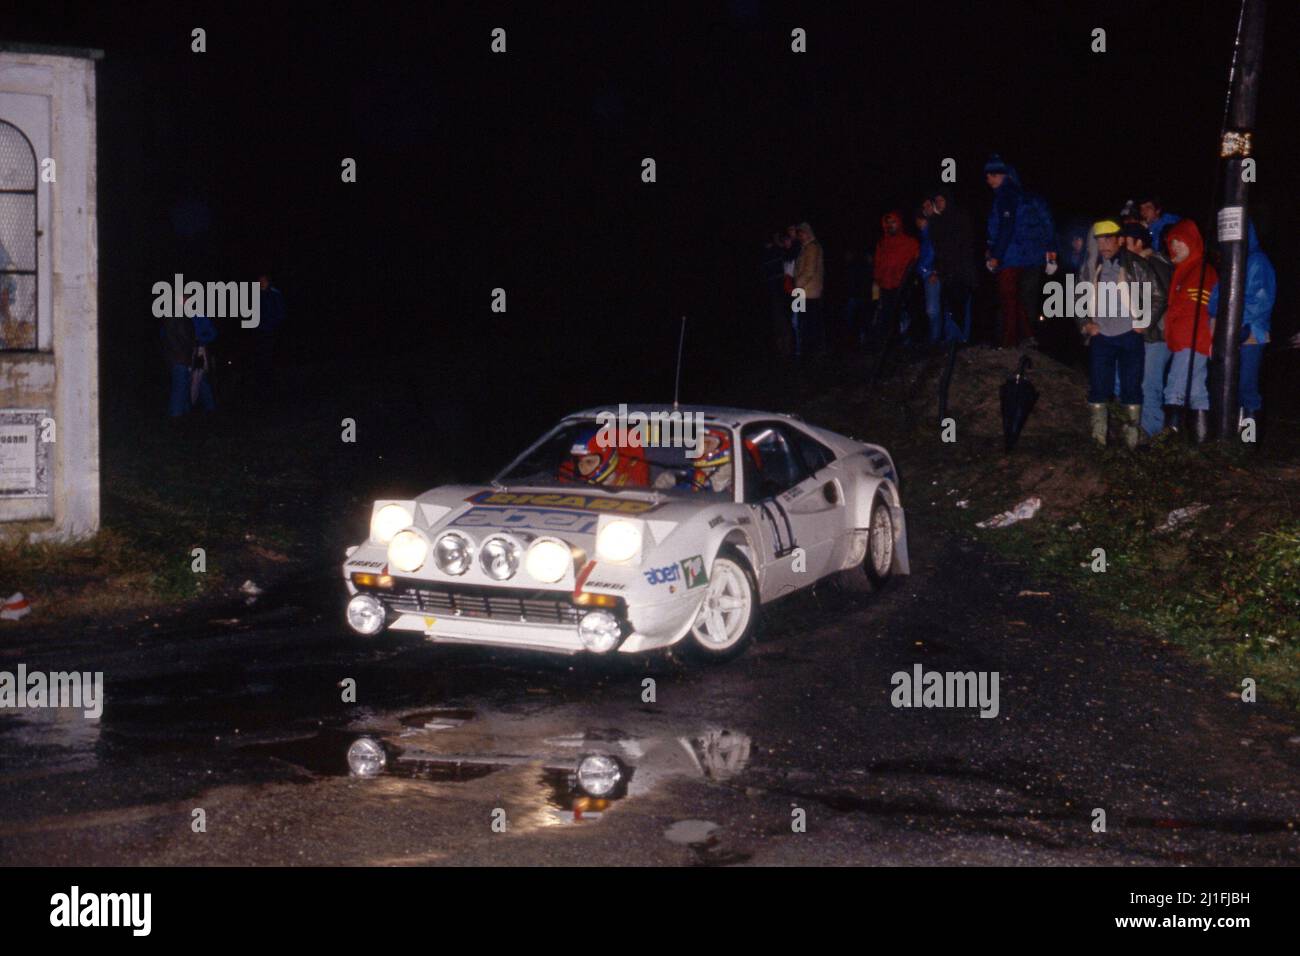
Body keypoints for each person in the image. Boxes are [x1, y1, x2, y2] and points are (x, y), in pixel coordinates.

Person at [1078, 220, 1155, 449]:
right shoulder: (1092, 266)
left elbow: (1158, 294)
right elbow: (1078, 298)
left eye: (1108, 238)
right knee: (1099, 389)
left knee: (1132, 388)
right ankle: (1097, 443)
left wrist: (1144, 321)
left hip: (1129, 335)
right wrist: (1085, 324)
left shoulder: (1135, 264)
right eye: (1099, 240)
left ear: (1119, 239)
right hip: (1102, 337)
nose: (1103, 244)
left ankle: (1131, 444)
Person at [1208, 220, 1275, 434]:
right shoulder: (1230, 262)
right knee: (1227, 386)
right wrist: (1216, 327)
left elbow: (1261, 301)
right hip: (1229, 335)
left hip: (1251, 335)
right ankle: (1229, 439)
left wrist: (1233, 322)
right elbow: (1215, 298)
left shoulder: (1257, 261)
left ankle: (1247, 442)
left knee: (1247, 387)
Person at [983, 154, 1055, 348]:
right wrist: (1049, 250)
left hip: (1011, 255)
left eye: (990, 175)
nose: (988, 180)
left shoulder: (1006, 195)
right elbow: (1046, 222)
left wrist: (996, 255)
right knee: (1016, 297)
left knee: (1007, 297)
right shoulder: (1023, 195)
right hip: (1030, 256)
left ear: (1000, 175)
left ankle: (1009, 341)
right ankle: (1028, 335)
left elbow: (1005, 227)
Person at [1162, 219, 1217, 442]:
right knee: (1196, 390)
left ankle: (1168, 444)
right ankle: (1200, 443)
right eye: (1171, 242)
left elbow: (1200, 308)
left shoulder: (1201, 270)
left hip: (1192, 341)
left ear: (1192, 242)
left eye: (1180, 241)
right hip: (1187, 341)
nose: (1174, 246)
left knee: (1175, 387)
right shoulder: (1185, 270)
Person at [1120, 223, 1173, 437]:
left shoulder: (1153, 263)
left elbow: (1160, 299)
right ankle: (1138, 429)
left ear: (1139, 243)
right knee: (1139, 383)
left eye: (1126, 242)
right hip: (1150, 335)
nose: (1121, 246)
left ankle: (1150, 431)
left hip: (1157, 336)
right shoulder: (1139, 263)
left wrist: (1142, 324)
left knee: (1150, 386)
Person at [929, 188, 976, 344]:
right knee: (948, 304)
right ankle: (951, 338)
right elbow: (937, 249)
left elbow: (967, 245)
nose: (938, 203)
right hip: (946, 271)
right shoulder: (936, 222)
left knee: (963, 304)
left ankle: (963, 339)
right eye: (936, 201)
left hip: (962, 270)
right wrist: (938, 268)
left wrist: (965, 269)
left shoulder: (960, 218)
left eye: (941, 200)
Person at [872, 211, 919, 349]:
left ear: (899, 223)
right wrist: (876, 285)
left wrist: (908, 281)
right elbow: (878, 264)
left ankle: (907, 344)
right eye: (887, 223)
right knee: (886, 317)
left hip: (904, 287)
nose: (890, 225)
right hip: (886, 287)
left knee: (904, 316)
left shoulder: (910, 242)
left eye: (893, 222)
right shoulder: (882, 243)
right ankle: (888, 345)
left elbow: (915, 262)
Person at [559, 429, 651, 487]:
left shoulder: (632, 470)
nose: (583, 468)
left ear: (608, 458)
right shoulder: (567, 475)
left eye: (589, 462)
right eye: (579, 462)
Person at [792, 222, 824, 357]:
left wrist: (797, 285)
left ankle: (809, 352)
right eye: (799, 233)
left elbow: (809, 271)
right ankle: (807, 350)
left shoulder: (812, 248)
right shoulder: (805, 247)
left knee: (807, 322)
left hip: (807, 292)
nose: (800, 235)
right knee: (804, 321)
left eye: (802, 232)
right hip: (804, 291)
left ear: (808, 232)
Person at [162, 301, 197, 419]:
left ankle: (183, 416)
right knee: (180, 387)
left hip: (184, 356)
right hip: (178, 358)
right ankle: (176, 417)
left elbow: (187, 336)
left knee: (185, 385)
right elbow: (171, 336)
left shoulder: (185, 317)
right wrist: (179, 354)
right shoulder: (175, 315)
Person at [762, 232, 793, 357]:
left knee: (784, 319)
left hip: (785, 291)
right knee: (781, 320)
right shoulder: (773, 253)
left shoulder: (777, 252)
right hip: (779, 292)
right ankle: (785, 349)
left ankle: (787, 348)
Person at [255, 273, 286, 395]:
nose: (261, 282)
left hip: (271, 330)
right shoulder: (255, 294)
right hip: (259, 330)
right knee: (261, 357)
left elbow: (281, 311)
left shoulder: (274, 293)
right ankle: (262, 384)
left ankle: (272, 384)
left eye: (264, 280)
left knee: (271, 356)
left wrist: (274, 323)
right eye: (260, 280)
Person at [915, 206, 941, 348]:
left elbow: (933, 252)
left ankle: (935, 339)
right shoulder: (924, 235)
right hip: (926, 274)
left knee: (932, 309)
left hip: (931, 274)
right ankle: (933, 337)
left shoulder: (930, 233)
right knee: (930, 308)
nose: (918, 223)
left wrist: (930, 270)